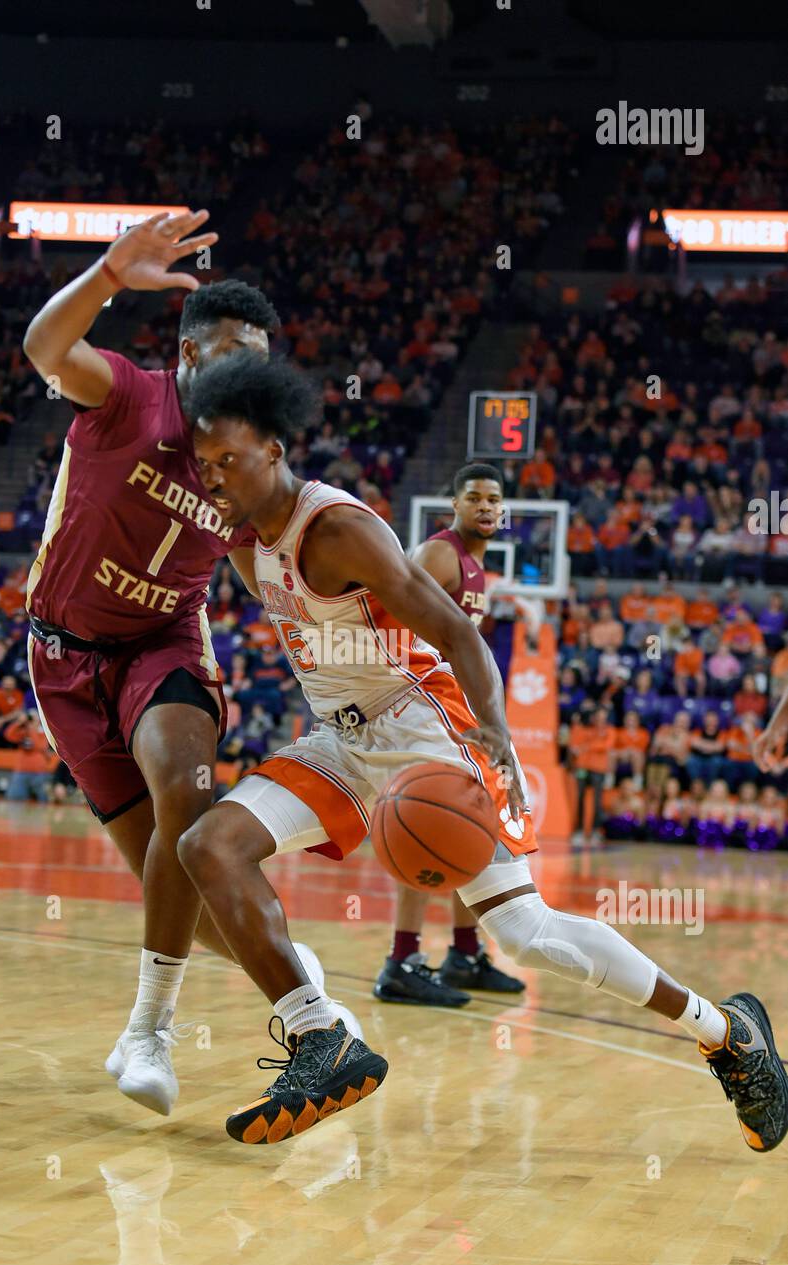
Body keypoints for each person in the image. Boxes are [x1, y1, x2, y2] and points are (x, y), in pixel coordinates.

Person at [173, 352, 787, 1153]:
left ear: (276, 453)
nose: (215, 476)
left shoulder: (341, 530)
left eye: (230, 459)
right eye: (205, 463)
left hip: (425, 729)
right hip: (341, 739)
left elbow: (459, 633)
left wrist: (491, 726)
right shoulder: (236, 538)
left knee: (526, 932)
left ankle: (724, 1033)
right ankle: (319, 1035)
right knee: (207, 847)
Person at [21, 210, 336, 1118]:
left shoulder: (248, 456)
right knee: (185, 876)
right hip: (63, 660)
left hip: (165, 647)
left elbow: (258, 562)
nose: (253, 372)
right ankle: (286, 975)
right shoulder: (124, 393)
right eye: (237, 352)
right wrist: (109, 273)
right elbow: (46, 346)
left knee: (184, 799)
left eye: (263, 359)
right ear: (191, 354)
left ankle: (149, 1028)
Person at [373, 461, 524, 1009]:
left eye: (494, 499)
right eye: (475, 498)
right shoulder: (440, 554)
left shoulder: (478, 567)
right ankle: (402, 959)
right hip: (418, 708)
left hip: (456, 712)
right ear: (454, 506)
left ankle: (463, 952)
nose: (486, 506)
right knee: (425, 821)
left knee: (474, 823)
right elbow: (390, 620)